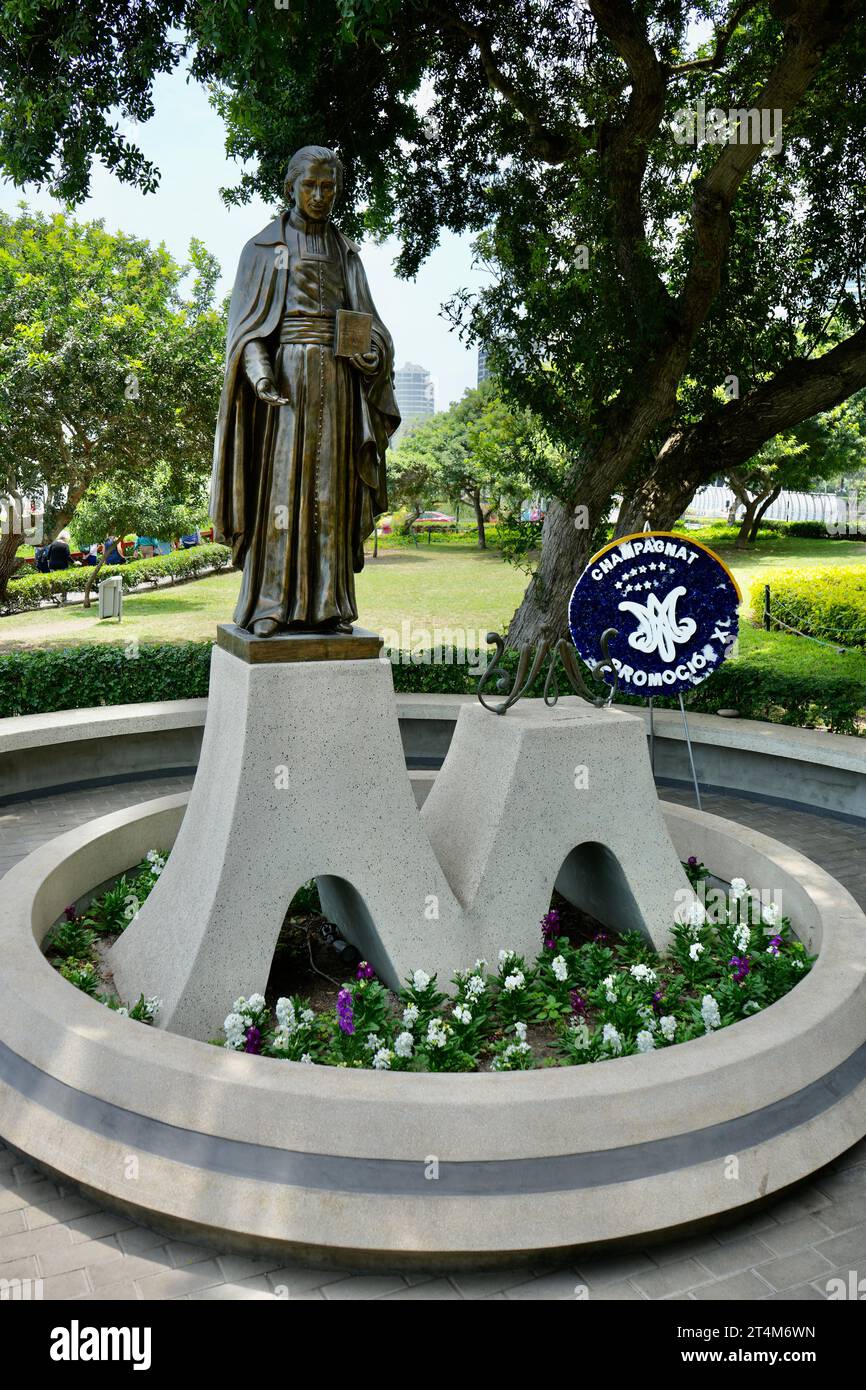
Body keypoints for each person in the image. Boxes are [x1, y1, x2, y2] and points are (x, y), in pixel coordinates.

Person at [210, 144, 400, 636]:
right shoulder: (262, 250)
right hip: (286, 385)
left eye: (329, 186)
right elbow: (247, 332)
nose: (319, 195)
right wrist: (260, 375)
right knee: (282, 494)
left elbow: (371, 324)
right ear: (291, 186)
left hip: (337, 385)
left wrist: (372, 353)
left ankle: (330, 603)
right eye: (310, 185)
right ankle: (270, 603)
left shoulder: (346, 253)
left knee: (331, 495)